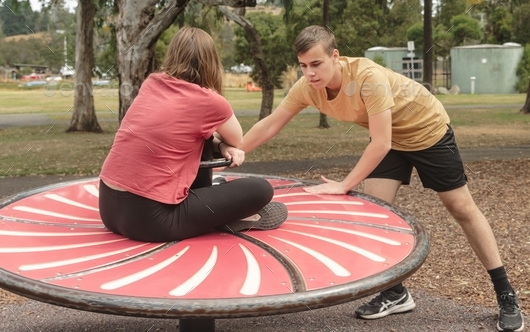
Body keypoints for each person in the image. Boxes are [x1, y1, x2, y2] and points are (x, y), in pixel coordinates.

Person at [240, 25, 523, 332]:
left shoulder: (367, 77)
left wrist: (345, 184)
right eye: (304, 66)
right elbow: (270, 125)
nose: (310, 73)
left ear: (335, 57)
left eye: (317, 64)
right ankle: (396, 291)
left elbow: (380, 143)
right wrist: (233, 153)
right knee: (374, 213)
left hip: (428, 132)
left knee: (461, 208)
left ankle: (505, 293)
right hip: (391, 141)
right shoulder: (307, 88)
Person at [99, 26, 287, 243]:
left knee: (203, 137)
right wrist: (226, 145)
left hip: (109, 209)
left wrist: (219, 146)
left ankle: (211, 208)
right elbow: (237, 141)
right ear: (212, 62)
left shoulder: (152, 83)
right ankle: (225, 216)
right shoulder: (209, 101)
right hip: (151, 222)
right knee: (260, 189)